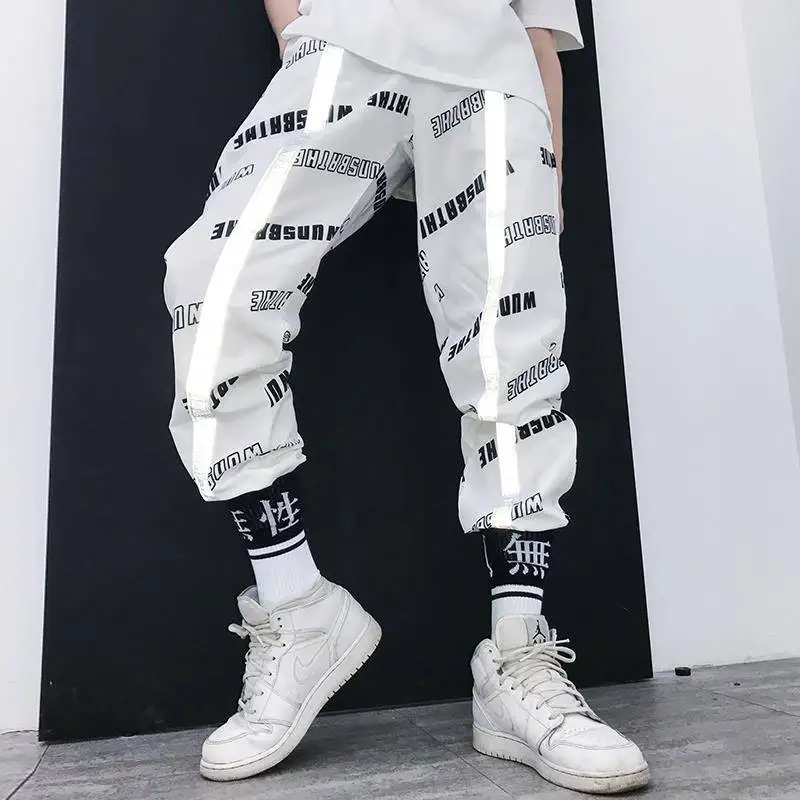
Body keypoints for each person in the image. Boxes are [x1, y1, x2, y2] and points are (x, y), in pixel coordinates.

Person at [163, 0, 650, 793]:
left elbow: (540, 18)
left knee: (513, 348)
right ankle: (297, 602)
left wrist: (549, 157)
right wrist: (301, 36)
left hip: (495, 66)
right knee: (213, 288)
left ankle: (517, 654)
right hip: (347, 37)